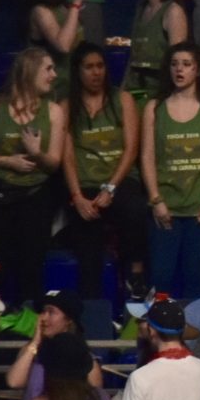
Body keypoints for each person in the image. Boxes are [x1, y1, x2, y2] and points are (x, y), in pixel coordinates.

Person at [0, 48, 65, 305]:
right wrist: (7, 161)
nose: (54, 75)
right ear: (29, 71)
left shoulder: (54, 112)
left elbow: (54, 164)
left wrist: (36, 153)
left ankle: (29, 318)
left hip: (34, 197)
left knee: (31, 268)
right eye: (48, 69)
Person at [141, 43, 200, 300]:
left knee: (194, 277)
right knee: (160, 277)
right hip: (165, 208)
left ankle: (192, 326)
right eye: (174, 64)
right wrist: (155, 199)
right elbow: (147, 156)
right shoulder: (154, 108)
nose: (179, 69)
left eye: (186, 64)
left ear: (198, 70)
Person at [62, 43, 148, 300]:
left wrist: (111, 187)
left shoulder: (122, 99)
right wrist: (77, 197)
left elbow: (131, 149)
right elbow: (67, 156)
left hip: (119, 180)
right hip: (85, 184)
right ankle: (92, 306)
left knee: (134, 209)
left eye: (100, 66)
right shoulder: (67, 106)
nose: (96, 72)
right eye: (89, 67)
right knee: (87, 239)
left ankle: (135, 279)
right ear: (78, 71)